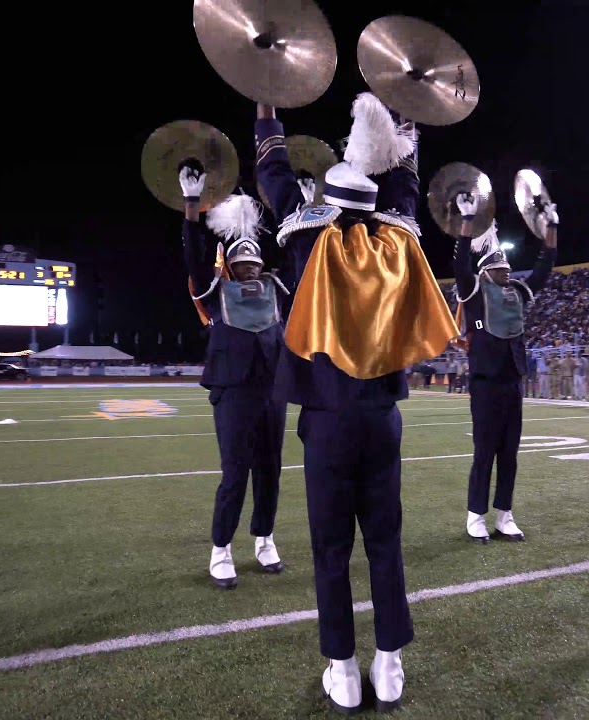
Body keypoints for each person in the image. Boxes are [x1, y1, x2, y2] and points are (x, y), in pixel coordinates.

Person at [256, 92, 457, 713]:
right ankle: (389, 662)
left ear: (328, 202)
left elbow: (273, 176)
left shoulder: (306, 236)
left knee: (330, 547)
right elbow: (404, 181)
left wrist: (267, 111)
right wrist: (406, 119)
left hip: (327, 421)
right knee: (385, 541)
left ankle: (343, 671)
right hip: (382, 420)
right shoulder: (399, 240)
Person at [179, 179, 290, 589]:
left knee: (270, 471)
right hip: (233, 393)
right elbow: (194, 259)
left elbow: (303, 262)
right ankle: (221, 548)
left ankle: (264, 538)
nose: (249, 267)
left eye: (255, 262)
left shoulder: (277, 292)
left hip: (272, 393)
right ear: (229, 266)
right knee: (235, 473)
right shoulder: (216, 292)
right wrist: (192, 206)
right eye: (242, 263)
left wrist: (310, 209)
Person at [452, 192, 556, 542]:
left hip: (513, 383)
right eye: (500, 266)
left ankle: (504, 514)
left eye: (508, 266)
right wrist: (466, 223)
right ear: (487, 271)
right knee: (485, 453)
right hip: (484, 384)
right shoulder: (474, 293)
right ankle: (475, 515)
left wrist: (551, 230)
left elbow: (544, 268)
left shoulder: (517, 294)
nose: (507, 269)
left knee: (509, 454)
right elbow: (460, 265)